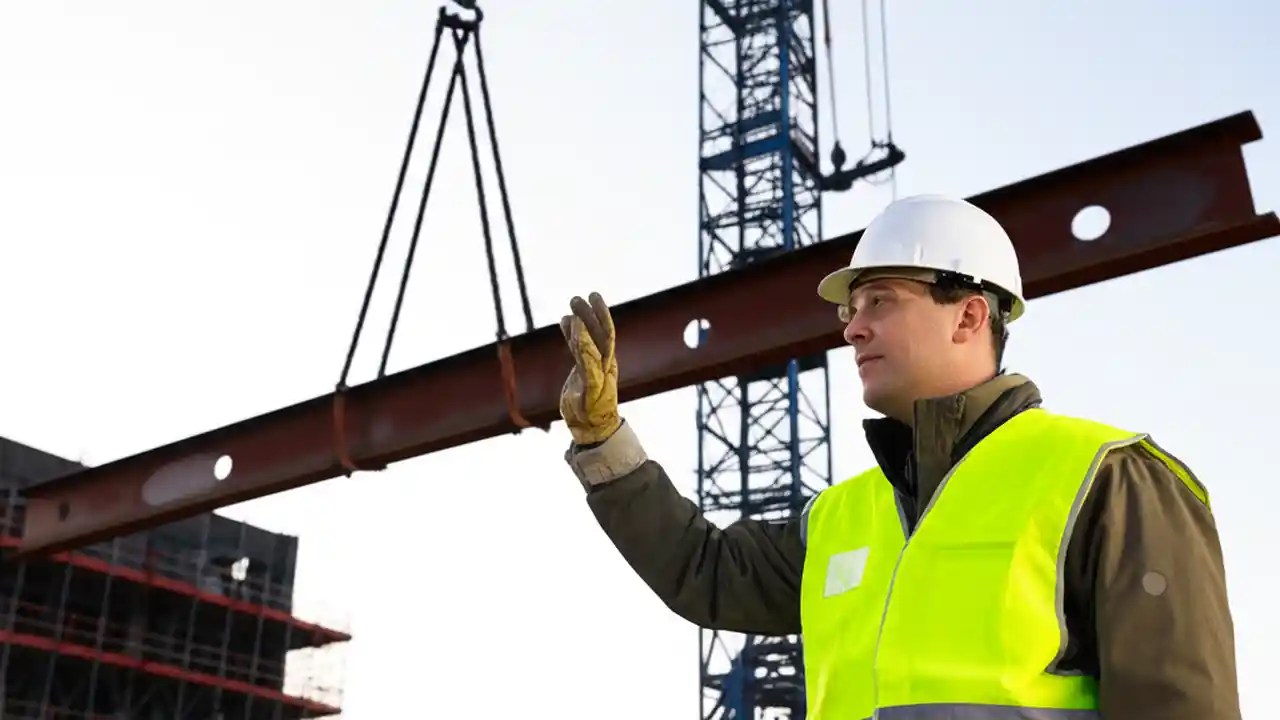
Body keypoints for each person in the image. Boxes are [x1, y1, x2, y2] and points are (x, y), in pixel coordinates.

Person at [557, 194, 1241, 719]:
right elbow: (704, 571)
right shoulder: (841, 516)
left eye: (880, 301)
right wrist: (601, 439)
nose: (853, 328)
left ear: (969, 317)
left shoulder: (1109, 478)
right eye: (851, 310)